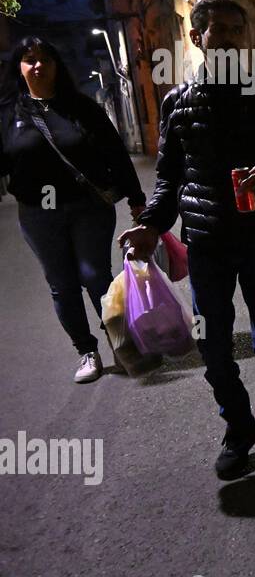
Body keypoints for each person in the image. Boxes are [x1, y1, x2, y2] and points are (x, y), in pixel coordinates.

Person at [118, 0, 255, 480]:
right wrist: (150, 225)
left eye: (237, 30)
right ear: (198, 37)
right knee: (212, 346)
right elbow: (169, 178)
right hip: (206, 242)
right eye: (220, 30)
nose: (230, 38)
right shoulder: (178, 104)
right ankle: (238, 426)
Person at [0, 36, 146, 382]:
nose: (37, 65)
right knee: (62, 284)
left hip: (88, 206)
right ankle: (86, 351)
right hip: (37, 213)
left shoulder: (82, 108)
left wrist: (137, 198)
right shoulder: (8, 115)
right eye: (29, 59)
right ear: (19, 68)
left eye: (45, 59)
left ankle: (123, 345)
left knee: (95, 276)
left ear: (56, 66)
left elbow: (115, 152)